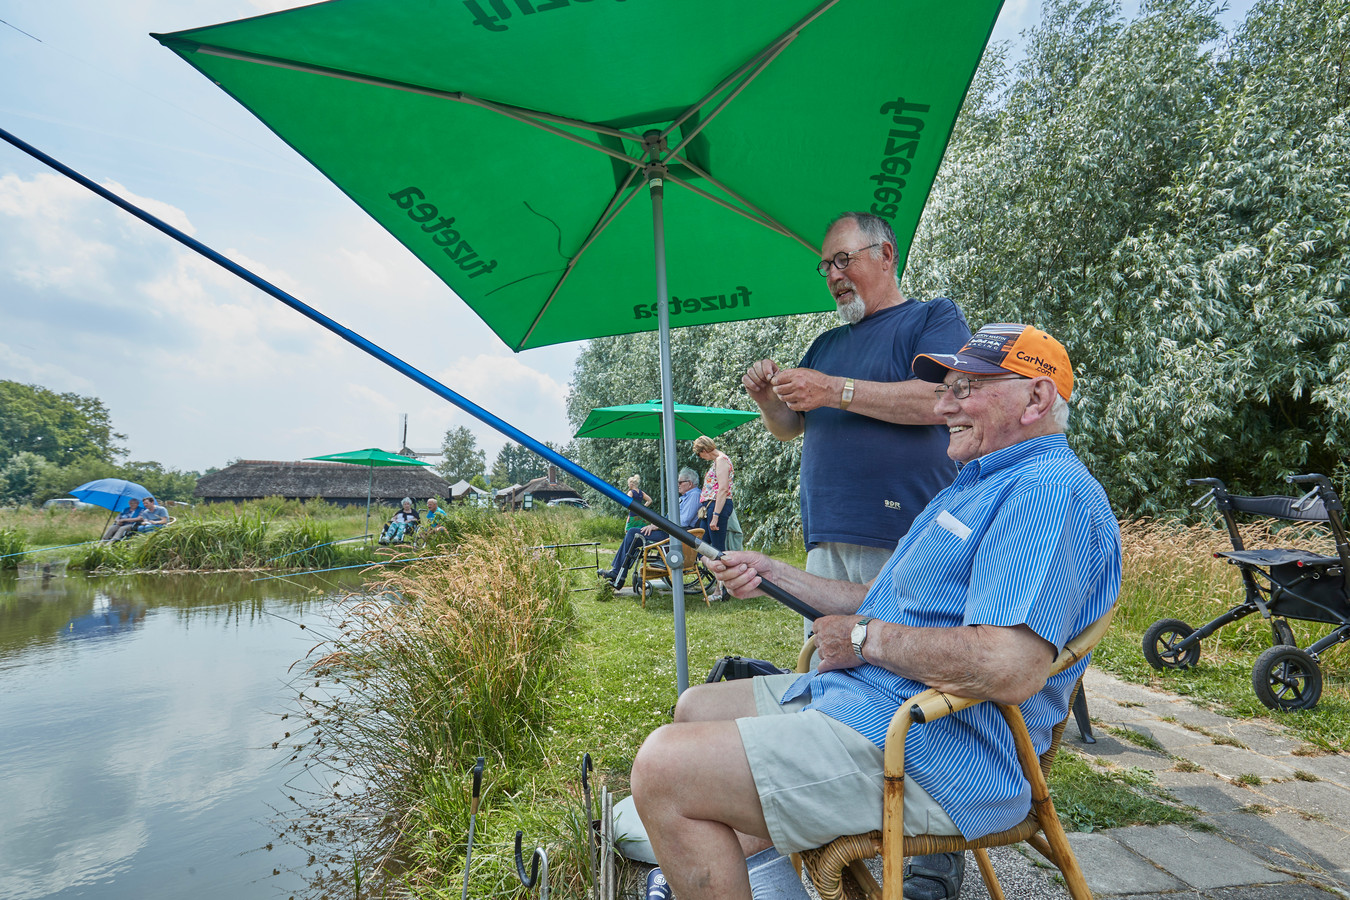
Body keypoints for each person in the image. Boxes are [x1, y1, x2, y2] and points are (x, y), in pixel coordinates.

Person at [631, 324, 1121, 900]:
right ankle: (734, 872)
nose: (943, 405)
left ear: (1036, 399)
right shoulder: (979, 480)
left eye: (965, 389)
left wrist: (864, 641)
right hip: (875, 704)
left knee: (661, 771)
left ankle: (718, 860)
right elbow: (884, 602)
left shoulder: (1045, 492)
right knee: (694, 708)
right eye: (946, 388)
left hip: (941, 748)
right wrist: (773, 574)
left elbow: (1009, 665)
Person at [743, 212, 971, 634]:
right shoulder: (824, 345)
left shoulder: (933, 318)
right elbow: (791, 428)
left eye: (843, 259)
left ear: (885, 255)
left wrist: (834, 391)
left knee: (894, 670)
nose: (833, 275)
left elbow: (942, 398)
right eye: (827, 265)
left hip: (903, 535)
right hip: (825, 534)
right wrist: (767, 401)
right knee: (825, 666)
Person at [598, 475, 651, 586]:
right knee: (632, 537)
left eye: (629, 483)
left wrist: (632, 508)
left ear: (631, 484)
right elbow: (649, 500)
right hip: (641, 518)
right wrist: (642, 508)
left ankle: (617, 572)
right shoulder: (641, 493)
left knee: (629, 534)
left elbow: (625, 502)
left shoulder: (631, 492)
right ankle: (618, 574)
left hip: (632, 516)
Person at [692, 435, 734, 555]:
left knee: (717, 549)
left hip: (717, 506)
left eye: (700, 455)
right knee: (702, 547)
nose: (702, 458)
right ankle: (707, 572)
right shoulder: (717, 461)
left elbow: (723, 489)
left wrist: (716, 515)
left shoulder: (721, 460)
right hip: (710, 506)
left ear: (704, 451)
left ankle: (724, 573)